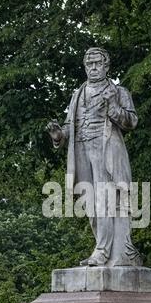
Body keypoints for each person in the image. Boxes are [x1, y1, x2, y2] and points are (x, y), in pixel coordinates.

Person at [47, 47, 141, 267]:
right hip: (81, 150)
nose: (94, 68)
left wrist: (112, 106)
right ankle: (101, 246)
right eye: (89, 64)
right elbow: (71, 126)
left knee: (106, 200)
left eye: (98, 63)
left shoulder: (119, 92)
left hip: (106, 149)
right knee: (89, 202)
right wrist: (58, 135)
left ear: (107, 66)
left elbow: (131, 121)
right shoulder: (77, 94)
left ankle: (103, 251)